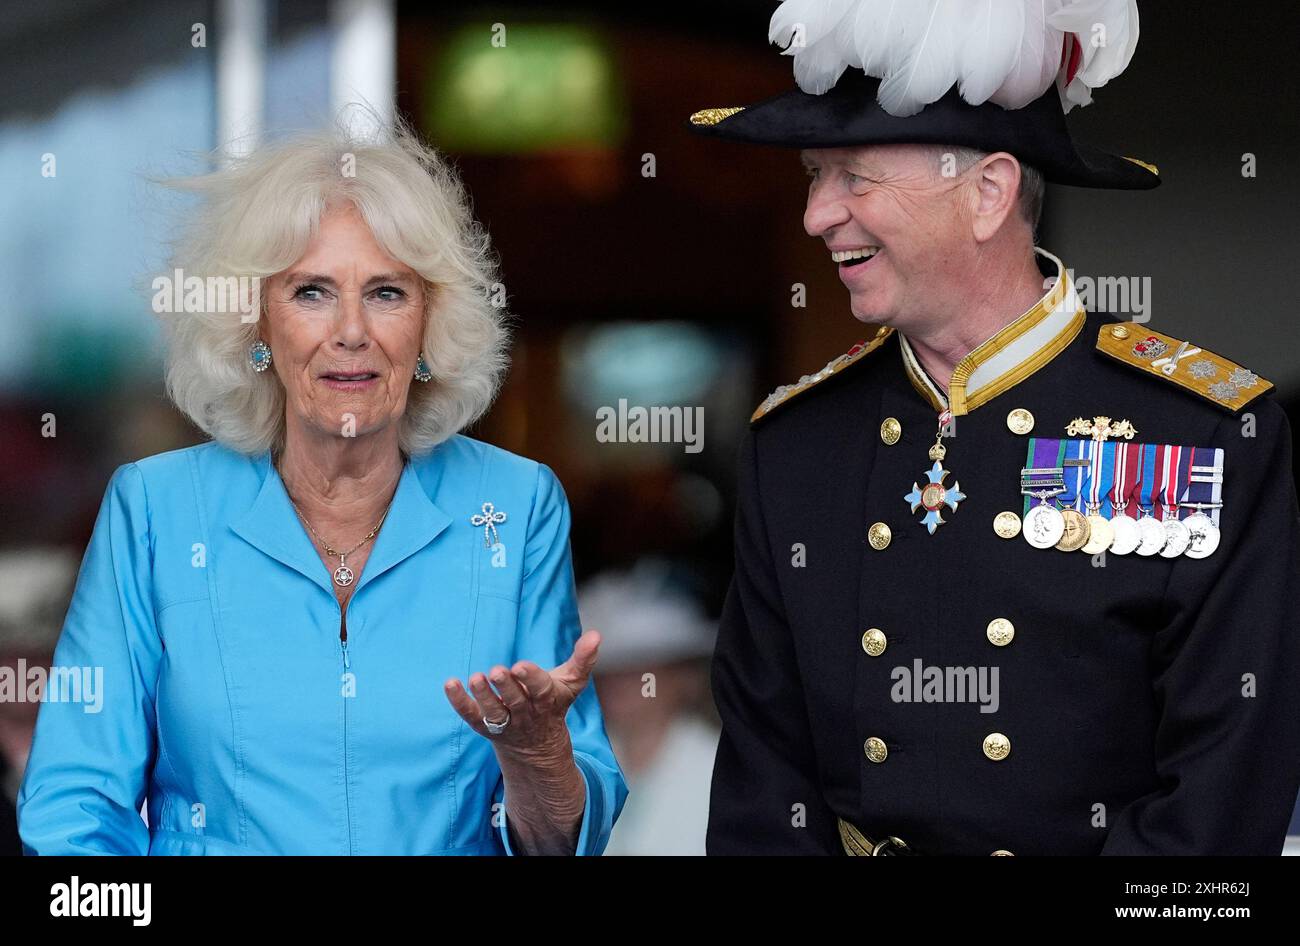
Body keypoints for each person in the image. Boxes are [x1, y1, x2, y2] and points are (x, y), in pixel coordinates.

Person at [690, 0, 1300, 855]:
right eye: (812, 177)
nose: (816, 215)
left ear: (987, 193)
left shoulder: (1201, 434)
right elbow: (763, 785)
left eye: (854, 177)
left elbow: (1224, 791)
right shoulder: (798, 445)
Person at [17, 118, 627, 855]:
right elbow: (74, 814)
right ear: (257, 325)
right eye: (310, 292)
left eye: (386, 293)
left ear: (430, 324)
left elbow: (563, 839)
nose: (350, 331)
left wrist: (538, 758)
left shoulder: (516, 505)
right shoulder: (155, 512)